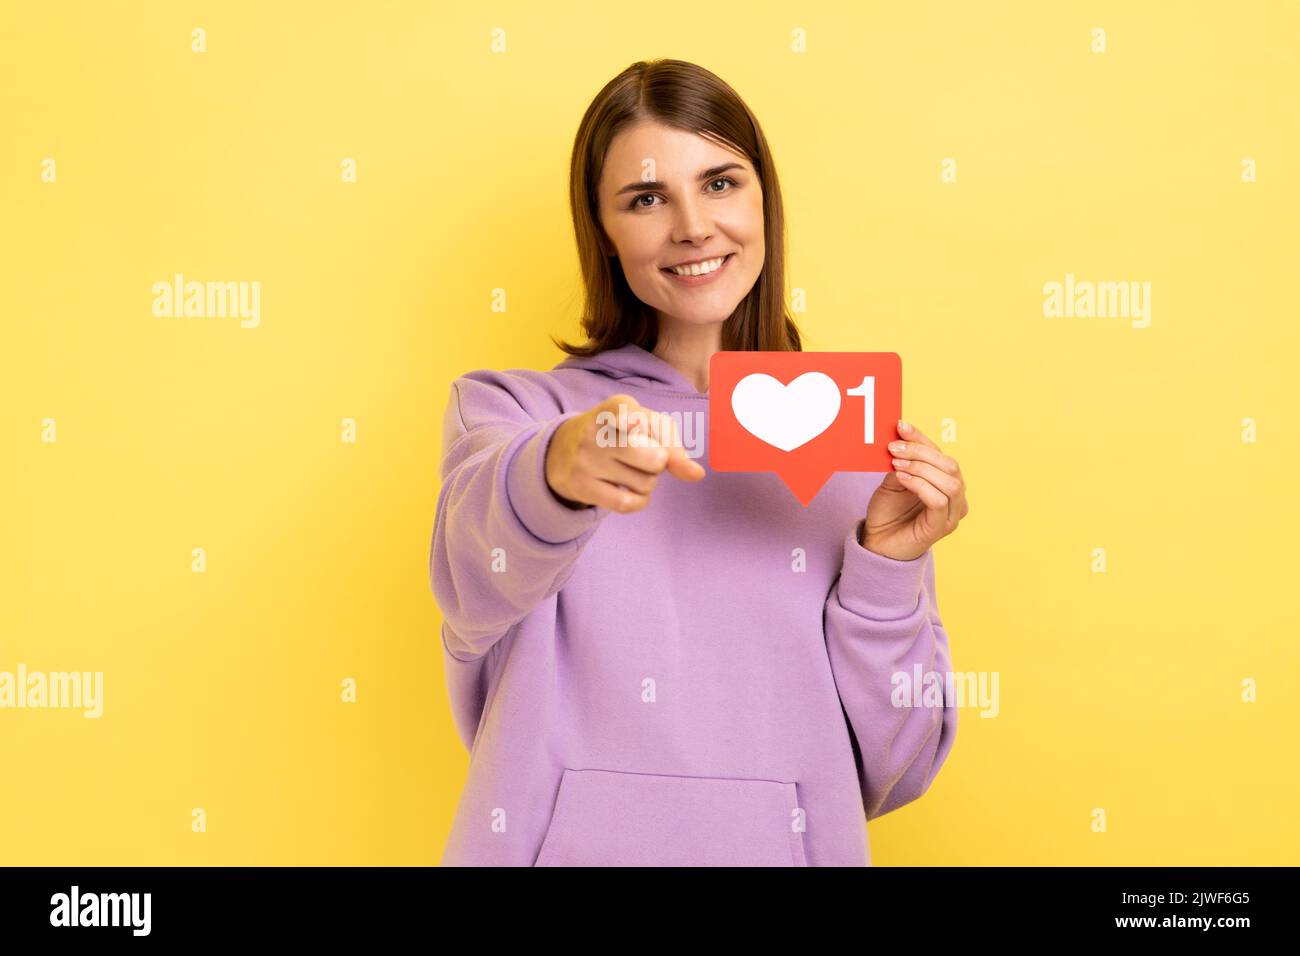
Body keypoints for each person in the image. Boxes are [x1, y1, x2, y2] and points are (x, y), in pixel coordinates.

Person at [430, 58, 969, 866]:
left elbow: (897, 768)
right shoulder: (516, 414)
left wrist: (889, 572)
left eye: (720, 183)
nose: (691, 225)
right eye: (647, 198)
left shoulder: (854, 443)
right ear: (604, 235)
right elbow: (470, 570)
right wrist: (556, 470)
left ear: (764, 203)